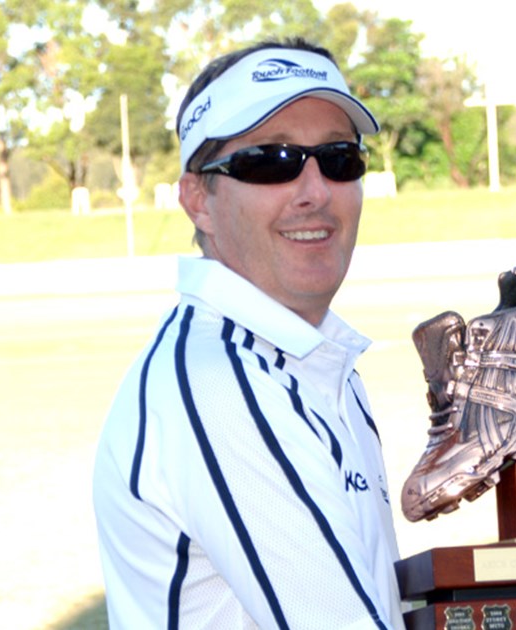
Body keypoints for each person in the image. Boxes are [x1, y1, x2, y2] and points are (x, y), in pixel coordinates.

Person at [93, 37, 406, 629]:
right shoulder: (225, 384)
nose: (314, 191)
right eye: (271, 161)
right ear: (199, 201)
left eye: (339, 158)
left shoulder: (314, 365)